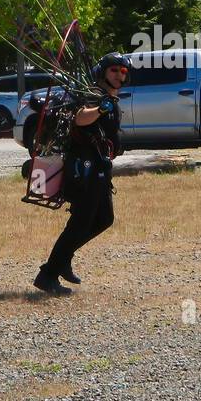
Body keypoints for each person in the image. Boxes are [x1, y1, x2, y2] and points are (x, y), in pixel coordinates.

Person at [33, 52, 130, 296]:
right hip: (84, 170)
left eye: (123, 72)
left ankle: (63, 260)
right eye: (114, 71)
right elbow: (80, 119)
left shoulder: (110, 98)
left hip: (99, 169)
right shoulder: (93, 96)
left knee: (104, 219)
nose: (119, 75)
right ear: (103, 73)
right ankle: (48, 275)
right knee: (80, 224)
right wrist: (101, 108)